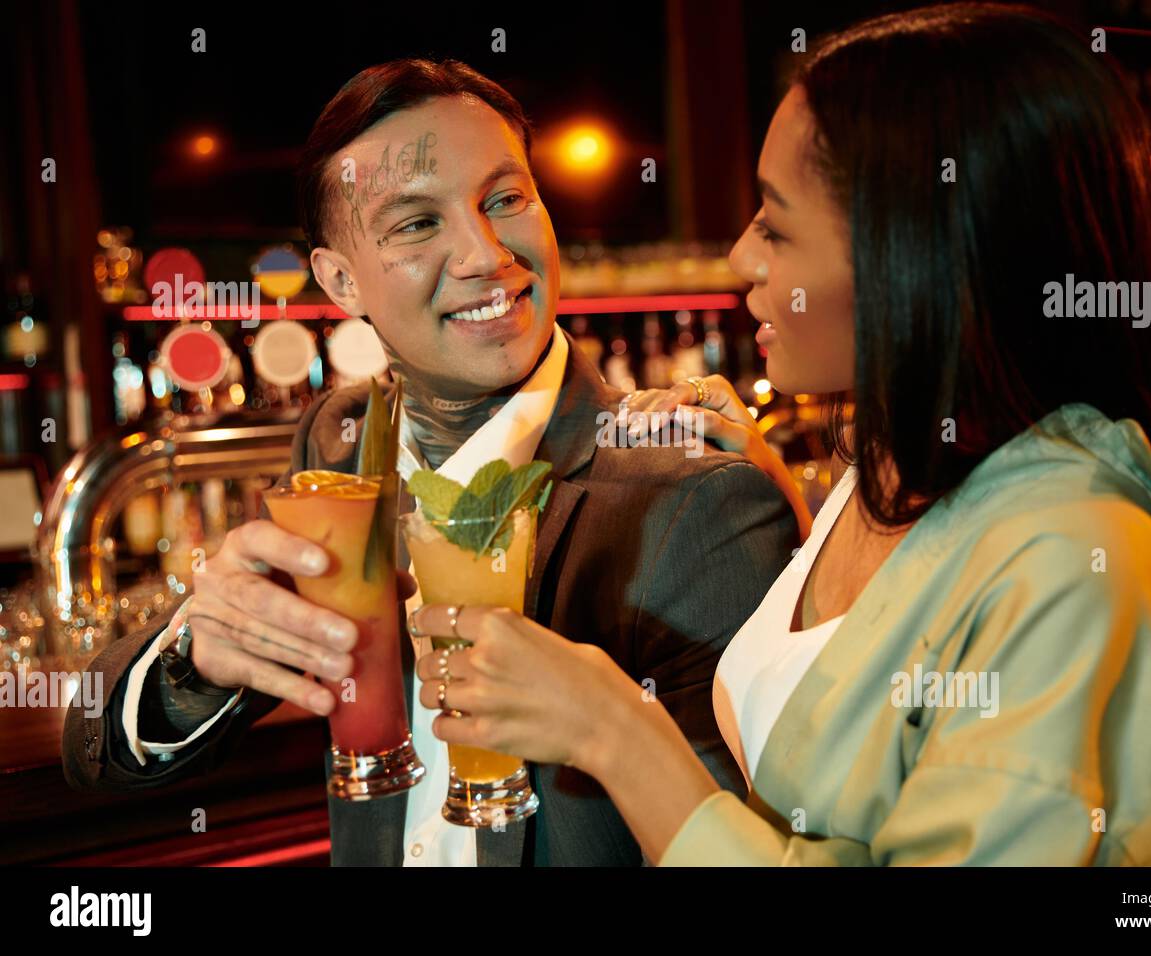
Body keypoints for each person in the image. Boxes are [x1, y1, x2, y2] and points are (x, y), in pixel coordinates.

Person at [406, 4, 1151, 865]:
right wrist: (790, 498)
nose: (741, 256)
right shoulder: (890, 473)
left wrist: (615, 729)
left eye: (774, 224)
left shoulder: (1073, 562)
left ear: (915, 255)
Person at [62, 58, 801, 867]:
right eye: (416, 224)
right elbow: (92, 743)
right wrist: (194, 659)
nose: (486, 254)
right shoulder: (342, 440)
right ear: (341, 282)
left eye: (506, 199)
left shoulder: (691, 496)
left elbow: (733, 849)